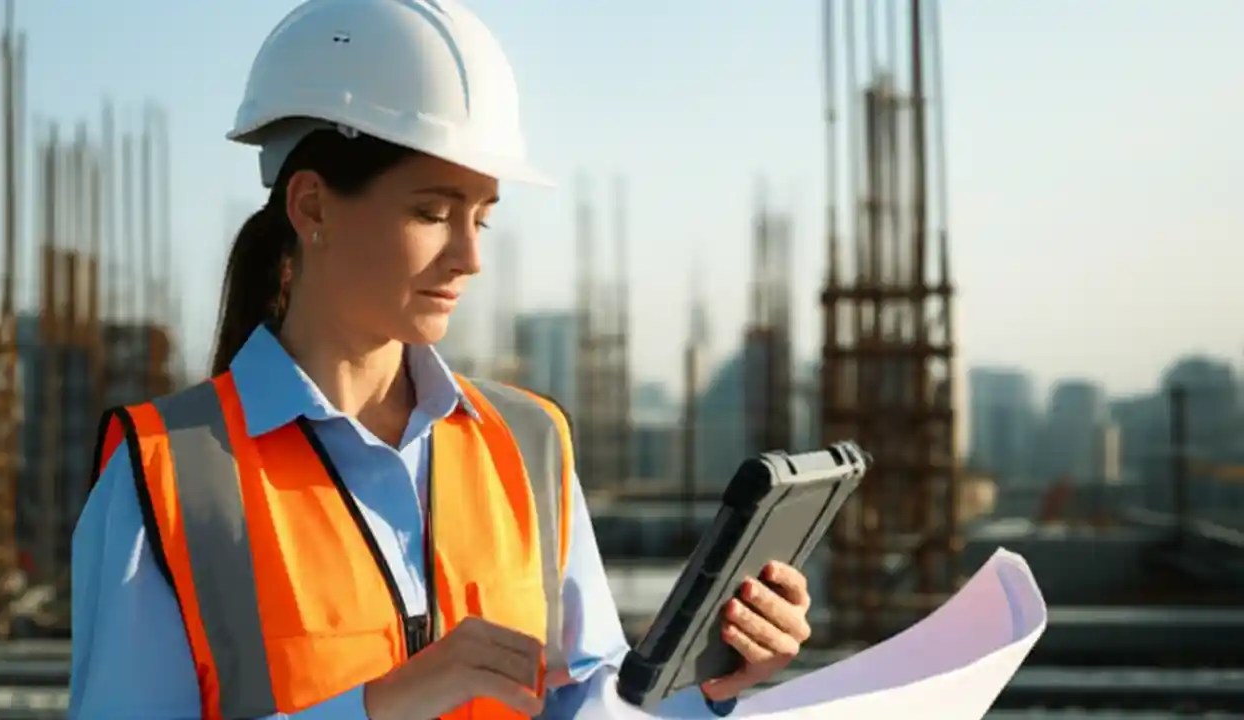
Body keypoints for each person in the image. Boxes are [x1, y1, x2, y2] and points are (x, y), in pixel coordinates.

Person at [69, 1, 813, 718]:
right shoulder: (165, 474)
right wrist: (381, 707)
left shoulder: (528, 442)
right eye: (432, 212)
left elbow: (584, 698)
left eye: (481, 217)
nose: (469, 257)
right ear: (312, 206)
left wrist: (708, 684)